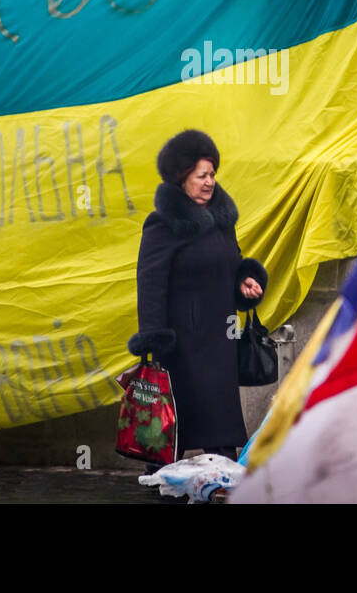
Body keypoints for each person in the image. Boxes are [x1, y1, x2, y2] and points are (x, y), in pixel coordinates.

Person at [128, 129, 267, 467]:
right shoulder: (162, 224)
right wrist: (154, 342)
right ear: (182, 178)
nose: (209, 182)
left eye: (212, 175)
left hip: (218, 342)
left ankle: (220, 483)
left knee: (221, 432)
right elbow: (150, 285)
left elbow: (230, 265)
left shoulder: (221, 222)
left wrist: (244, 283)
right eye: (201, 175)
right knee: (170, 431)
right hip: (182, 348)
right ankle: (161, 481)